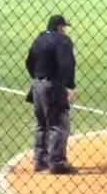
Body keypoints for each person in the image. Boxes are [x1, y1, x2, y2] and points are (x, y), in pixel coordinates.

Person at [26, 14, 79, 174]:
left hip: (37, 86)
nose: (65, 30)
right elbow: (67, 64)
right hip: (53, 87)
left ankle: (40, 160)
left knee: (42, 124)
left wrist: (38, 77)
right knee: (59, 125)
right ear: (59, 27)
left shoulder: (39, 39)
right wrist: (69, 86)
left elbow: (29, 62)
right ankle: (57, 163)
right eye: (64, 27)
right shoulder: (63, 41)